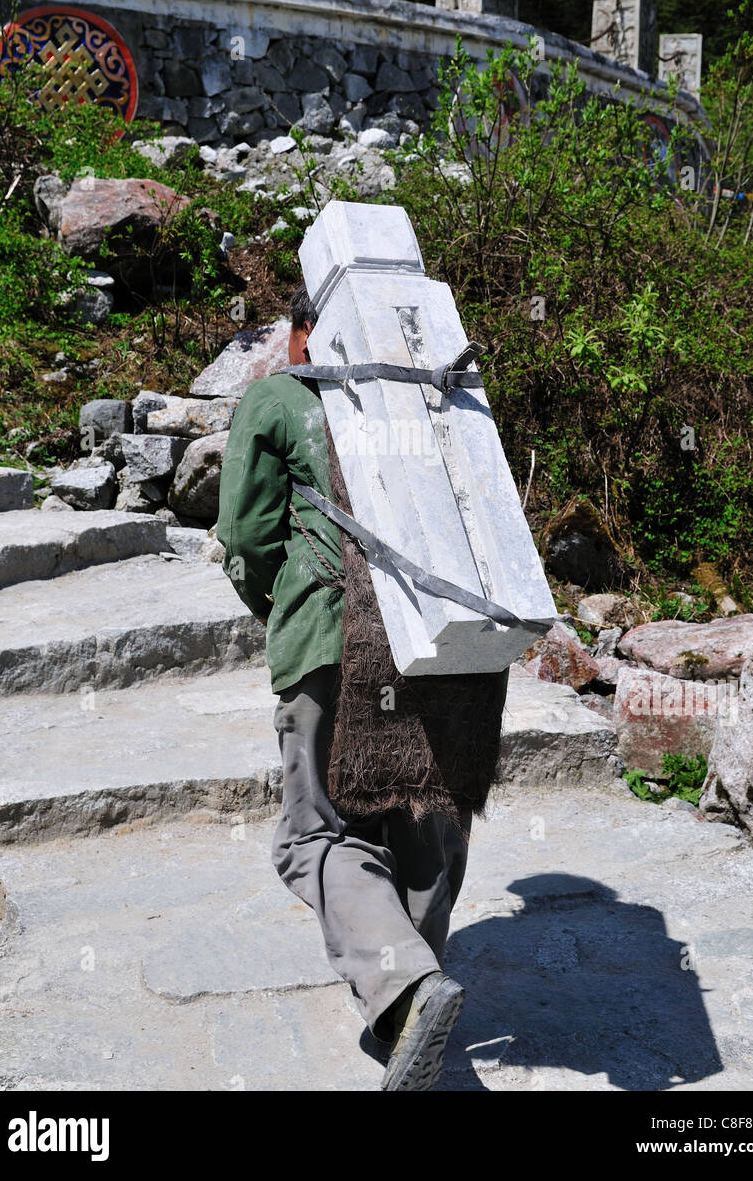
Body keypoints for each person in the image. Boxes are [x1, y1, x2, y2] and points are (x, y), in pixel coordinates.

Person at [217, 284, 489, 1091]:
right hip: (449, 638)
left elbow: (245, 535)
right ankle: (412, 985)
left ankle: (405, 986)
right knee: (422, 816)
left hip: (332, 633)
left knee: (316, 835)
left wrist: (284, 603)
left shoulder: (277, 398)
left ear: (308, 333)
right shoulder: (449, 391)